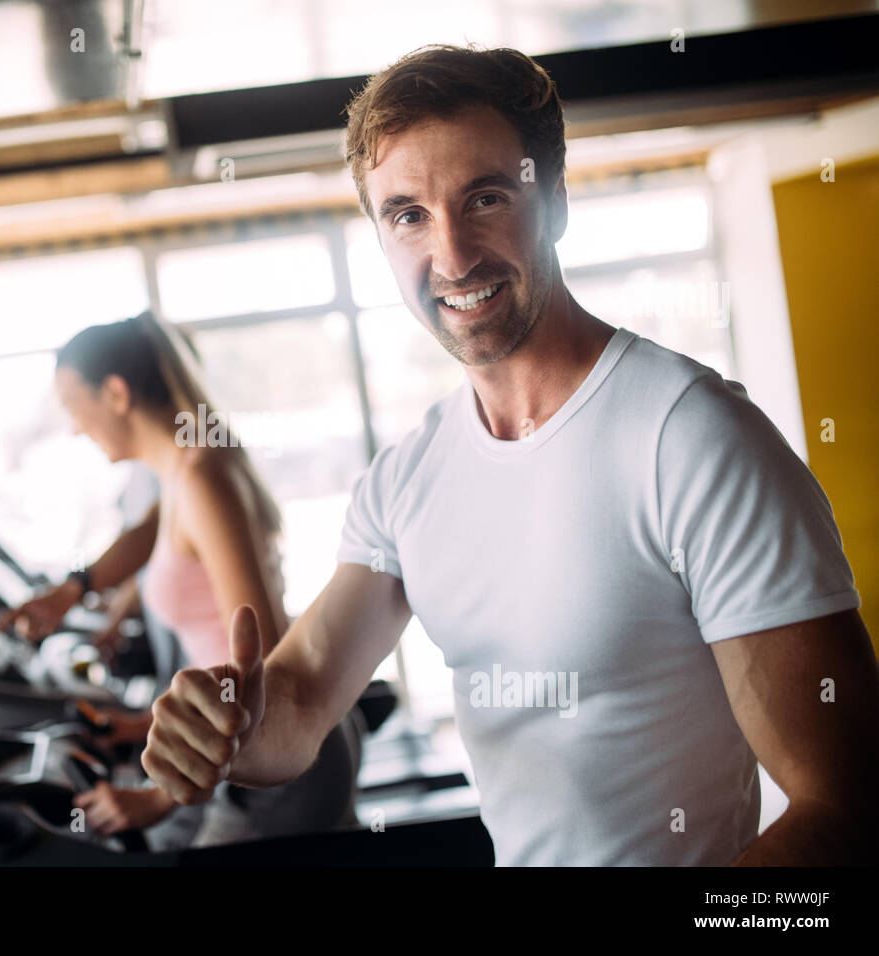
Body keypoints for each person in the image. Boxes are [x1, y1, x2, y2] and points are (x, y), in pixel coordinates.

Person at [141, 44, 879, 866]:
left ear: (555, 200)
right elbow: (303, 702)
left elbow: (843, 806)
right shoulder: (407, 480)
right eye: (408, 215)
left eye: (485, 198)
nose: (451, 256)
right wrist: (222, 731)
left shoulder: (692, 438)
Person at [0, 311, 360, 845]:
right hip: (260, 736)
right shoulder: (181, 472)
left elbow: (254, 660)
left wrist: (157, 797)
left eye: (76, 406)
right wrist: (149, 722)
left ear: (116, 394)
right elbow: (144, 540)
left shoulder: (200, 478)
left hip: (273, 750)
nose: (75, 426)